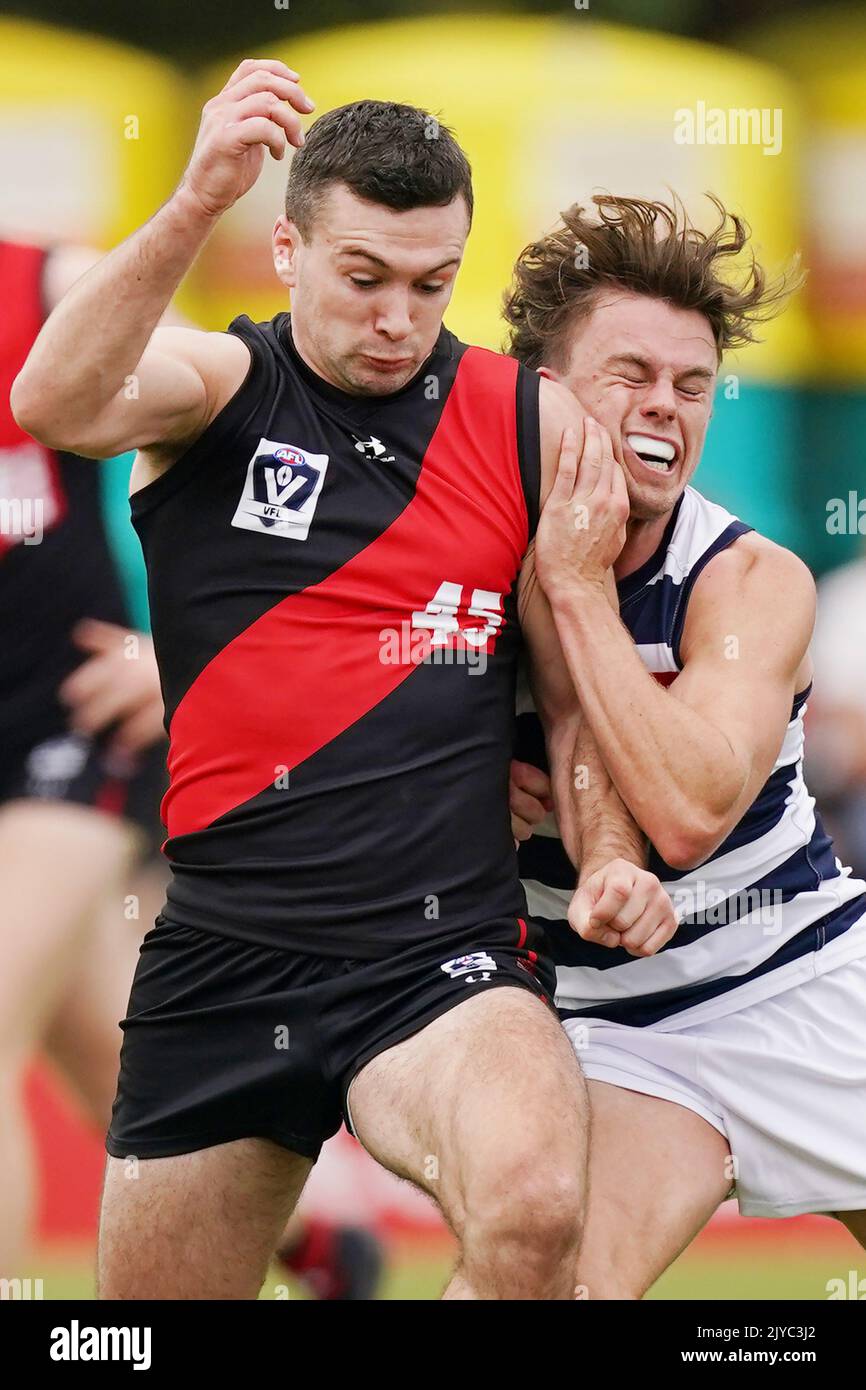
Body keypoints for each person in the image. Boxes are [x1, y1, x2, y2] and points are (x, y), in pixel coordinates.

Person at [13, 59, 674, 1300]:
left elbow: (579, 676)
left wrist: (608, 847)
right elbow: (51, 400)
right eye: (362, 278)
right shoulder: (216, 390)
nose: (395, 321)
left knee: (533, 1206)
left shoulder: (523, 419)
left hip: (440, 960)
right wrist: (191, 198)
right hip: (221, 955)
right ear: (286, 248)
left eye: (431, 284)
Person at [505, 193, 866, 1298]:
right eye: (630, 374)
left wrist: (571, 585)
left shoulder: (748, 577)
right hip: (617, 1027)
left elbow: (688, 810)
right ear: (547, 392)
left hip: (801, 977)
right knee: (547, 1285)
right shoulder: (458, 556)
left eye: (691, 384)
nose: (664, 406)